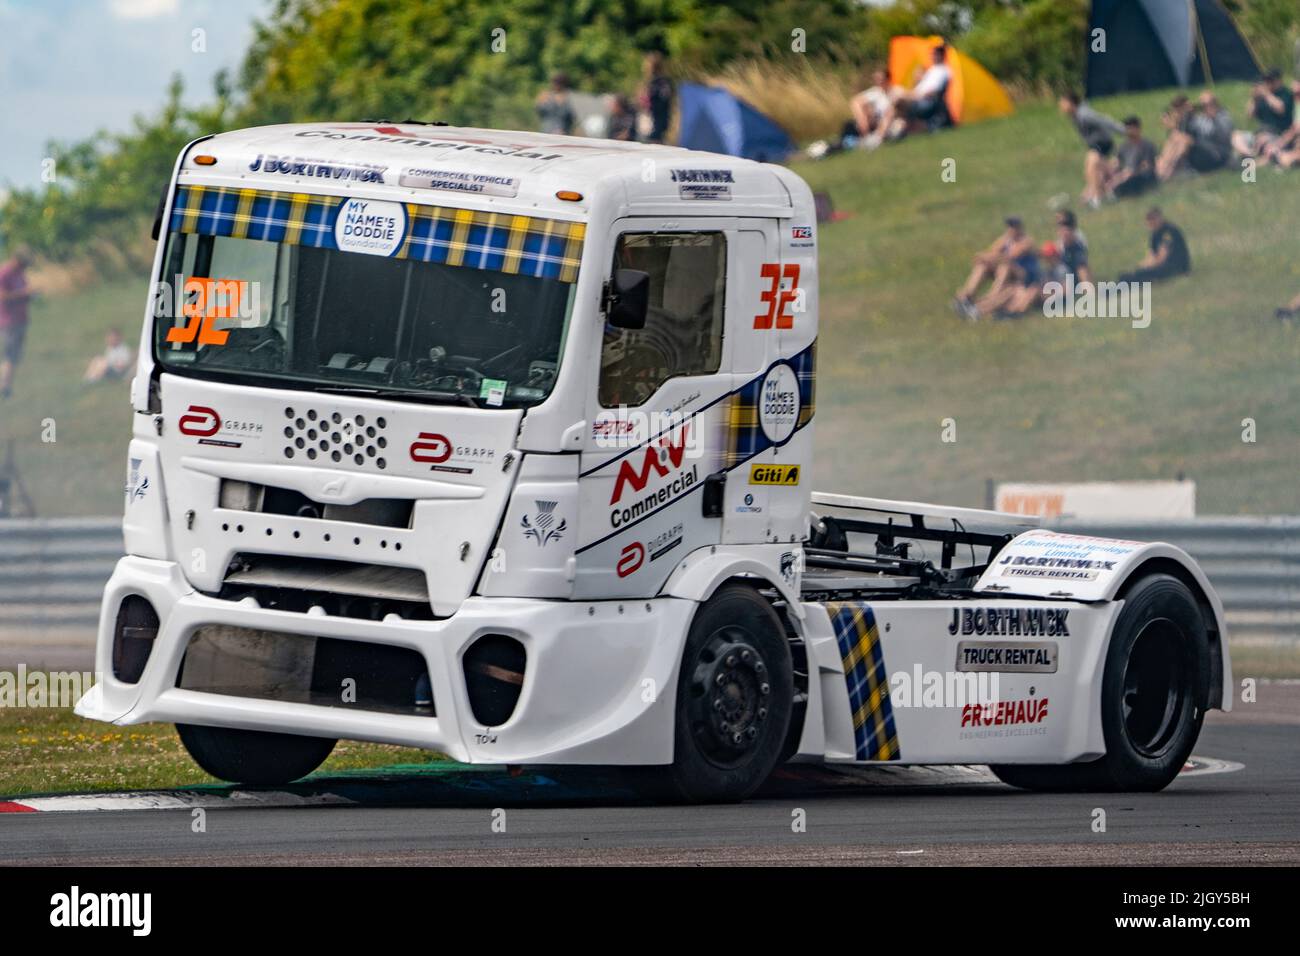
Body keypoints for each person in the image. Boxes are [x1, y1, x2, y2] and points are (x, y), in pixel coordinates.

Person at [953, 216, 1036, 320]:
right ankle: (967, 296)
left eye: (1014, 227)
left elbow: (1010, 256)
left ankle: (992, 296)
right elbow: (992, 252)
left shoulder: (1026, 241)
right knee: (983, 266)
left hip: (1023, 274)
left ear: (1020, 228)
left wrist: (986, 256)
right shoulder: (1006, 239)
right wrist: (985, 257)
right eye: (1009, 226)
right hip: (1008, 270)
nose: (1011, 229)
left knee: (1005, 266)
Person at [1059, 91, 1124, 208]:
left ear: (1071, 103)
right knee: (1096, 169)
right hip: (1095, 144)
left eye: (1063, 103)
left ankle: (1096, 198)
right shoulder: (1075, 115)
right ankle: (1109, 192)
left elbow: (1104, 120)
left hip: (1103, 142)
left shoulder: (1084, 114)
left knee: (1092, 166)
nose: (1061, 106)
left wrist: (1122, 130)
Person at [1232, 69, 1296, 159]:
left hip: (1277, 133)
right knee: (1236, 136)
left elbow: (1280, 109)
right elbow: (1250, 115)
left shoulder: (1286, 94)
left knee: (1266, 143)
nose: (1268, 83)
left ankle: (1254, 154)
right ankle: (1249, 154)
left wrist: (1267, 94)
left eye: (1271, 80)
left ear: (1279, 80)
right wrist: (1254, 98)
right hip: (1260, 132)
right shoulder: (1261, 98)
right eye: (1266, 81)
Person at [1118, 207, 1190, 284]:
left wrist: (1146, 269)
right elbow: (1152, 255)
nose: (1151, 223)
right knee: (1131, 274)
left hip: (1177, 267)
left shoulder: (1168, 232)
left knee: (1143, 274)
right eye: (1149, 220)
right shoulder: (1155, 234)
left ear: (1160, 218)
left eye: (1153, 219)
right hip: (1164, 265)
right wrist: (1140, 267)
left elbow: (1161, 258)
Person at [0, 247, 34, 400]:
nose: (24, 267)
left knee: (15, 356)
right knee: (10, 354)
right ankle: (5, 387)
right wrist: (23, 294)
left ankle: (7, 386)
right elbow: (3, 296)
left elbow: (24, 291)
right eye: (23, 264)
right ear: (16, 260)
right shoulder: (4, 273)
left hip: (21, 319)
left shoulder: (19, 273)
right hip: (8, 320)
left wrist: (31, 295)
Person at [896, 43, 952, 131]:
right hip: (916, 96)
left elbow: (935, 91)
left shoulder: (944, 71)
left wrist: (917, 95)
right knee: (895, 94)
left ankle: (886, 131)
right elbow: (918, 87)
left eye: (934, 54)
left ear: (941, 55)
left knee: (897, 99)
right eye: (932, 54)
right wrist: (915, 80)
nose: (932, 56)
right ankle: (895, 128)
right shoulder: (931, 70)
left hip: (926, 100)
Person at [848, 67, 903, 149]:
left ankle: (877, 138)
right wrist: (862, 119)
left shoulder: (896, 91)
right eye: (876, 80)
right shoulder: (876, 92)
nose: (878, 82)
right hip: (878, 122)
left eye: (881, 79)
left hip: (894, 122)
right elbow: (855, 101)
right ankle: (868, 137)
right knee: (865, 109)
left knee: (890, 111)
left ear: (887, 79)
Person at [1107, 116, 1157, 199]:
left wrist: (1130, 173)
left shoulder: (1147, 145)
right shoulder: (1124, 147)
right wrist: (1111, 170)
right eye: (1127, 128)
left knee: (1127, 177)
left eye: (1131, 128)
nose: (1128, 132)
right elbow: (1116, 162)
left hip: (1142, 179)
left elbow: (1146, 167)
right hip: (1126, 175)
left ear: (1138, 129)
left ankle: (1114, 194)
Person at [639, 52, 674, 144]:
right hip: (649, 120)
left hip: (658, 120)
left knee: (655, 144)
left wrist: (650, 107)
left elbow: (664, 101)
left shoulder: (663, 82)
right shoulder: (649, 82)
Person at [1054, 209, 1092, 284]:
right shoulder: (1059, 240)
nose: (1061, 227)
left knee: (1081, 266)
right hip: (1064, 272)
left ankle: (1088, 290)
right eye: (1059, 224)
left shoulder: (1078, 236)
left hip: (1076, 269)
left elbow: (1081, 253)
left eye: (1064, 223)